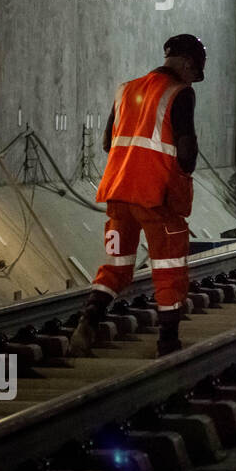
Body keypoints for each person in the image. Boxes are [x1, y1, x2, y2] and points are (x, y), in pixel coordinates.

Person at [70, 34, 206, 358]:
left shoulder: (126, 90)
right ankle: (168, 341)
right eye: (195, 73)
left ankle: (88, 320)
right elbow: (186, 152)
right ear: (188, 64)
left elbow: (107, 141)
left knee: (116, 265)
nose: (194, 80)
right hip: (158, 199)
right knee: (169, 266)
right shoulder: (180, 93)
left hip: (118, 196)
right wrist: (182, 169)